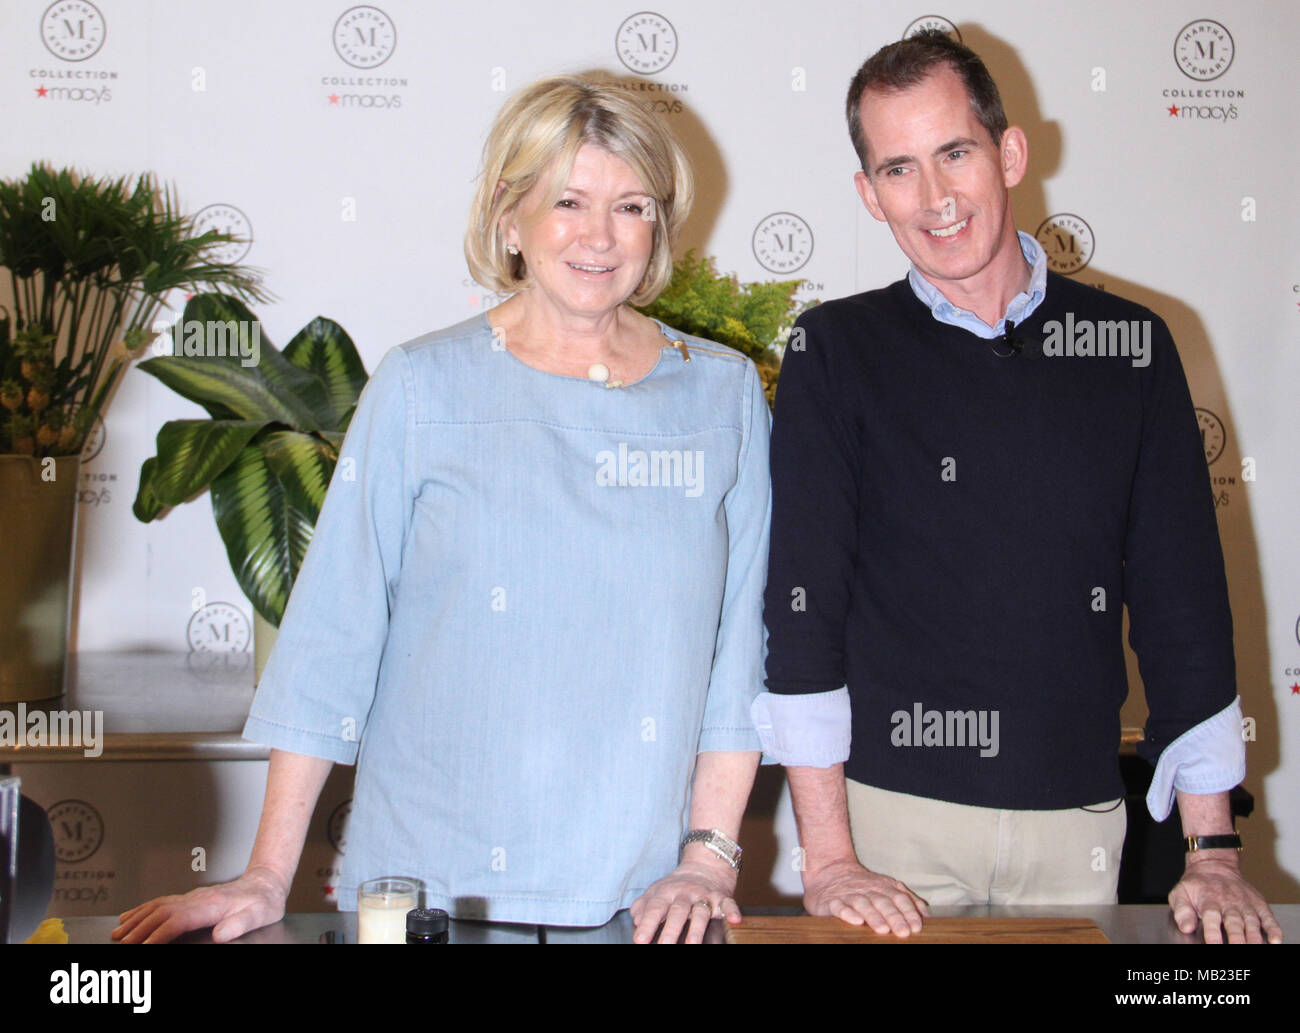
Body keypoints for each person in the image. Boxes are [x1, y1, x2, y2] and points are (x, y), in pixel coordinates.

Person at [113, 74, 768, 945]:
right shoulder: (422, 386)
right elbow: (333, 634)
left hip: (644, 901)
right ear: (510, 216)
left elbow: (741, 654)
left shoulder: (721, 395)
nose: (600, 237)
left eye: (632, 206)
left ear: (660, 225)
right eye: (568, 200)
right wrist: (269, 873)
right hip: (426, 895)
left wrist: (708, 859)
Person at [756, 31, 1282, 944]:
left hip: (1076, 825)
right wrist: (831, 853)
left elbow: (1182, 604)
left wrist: (1214, 852)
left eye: (954, 153)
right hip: (890, 830)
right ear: (868, 194)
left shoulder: (1130, 346)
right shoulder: (834, 351)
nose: (934, 198)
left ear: (1008, 152)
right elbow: (803, 618)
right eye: (898, 169)